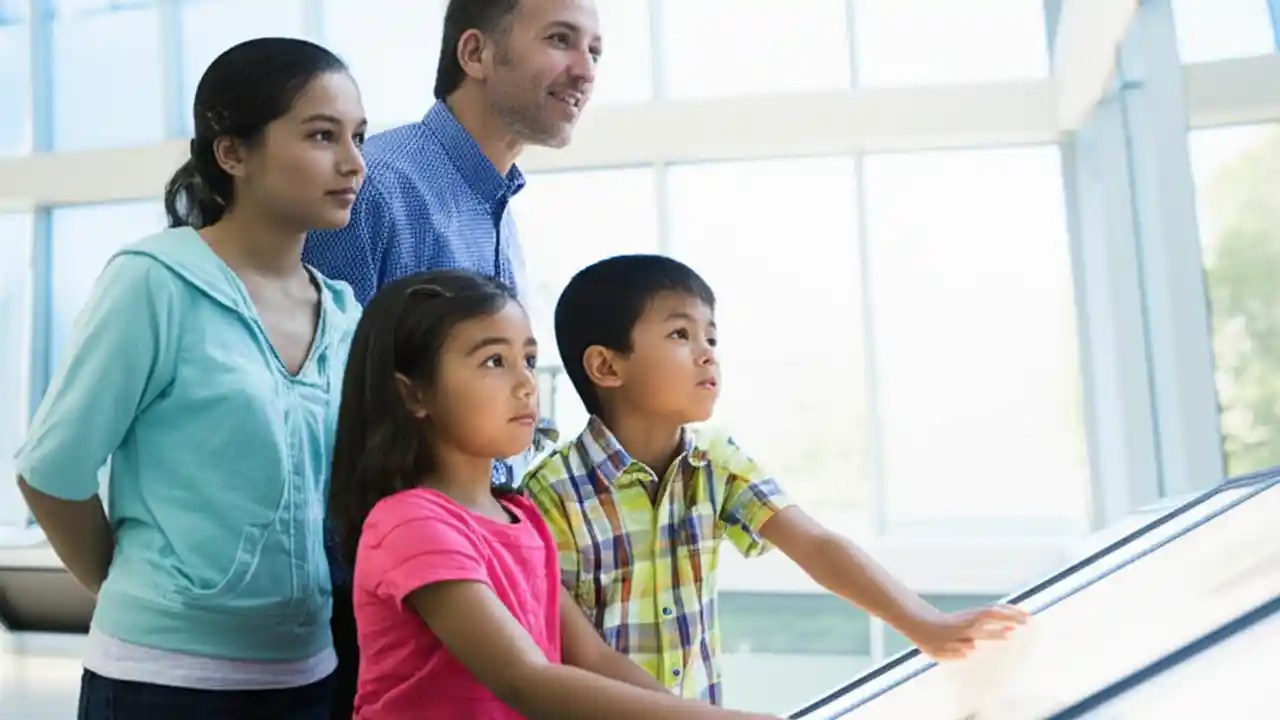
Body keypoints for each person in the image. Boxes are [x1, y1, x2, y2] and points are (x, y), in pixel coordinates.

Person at [14, 38, 367, 719]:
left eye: (358, 136)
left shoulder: (346, 315)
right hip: (160, 683)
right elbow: (51, 471)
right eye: (322, 136)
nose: (353, 162)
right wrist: (139, 592)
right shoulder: (153, 283)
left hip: (307, 676)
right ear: (232, 153)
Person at [524, 255, 1031, 705]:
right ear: (606, 366)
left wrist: (926, 624)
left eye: (712, 336)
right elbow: (576, 655)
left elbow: (815, 544)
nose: (707, 353)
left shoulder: (714, 460)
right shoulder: (548, 497)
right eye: (681, 334)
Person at [302, 1, 600, 711]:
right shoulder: (377, 185)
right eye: (560, 40)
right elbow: (314, 395)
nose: (585, 69)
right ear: (475, 53)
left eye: (595, 49)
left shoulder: (498, 212)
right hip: (372, 599)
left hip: (479, 576)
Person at [327, 269, 776, 719]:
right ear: (413, 394)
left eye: (528, 359)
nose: (525, 383)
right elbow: (525, 679)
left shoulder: (521, 516)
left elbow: (595, 660)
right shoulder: (412, 523)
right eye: (493, 362)